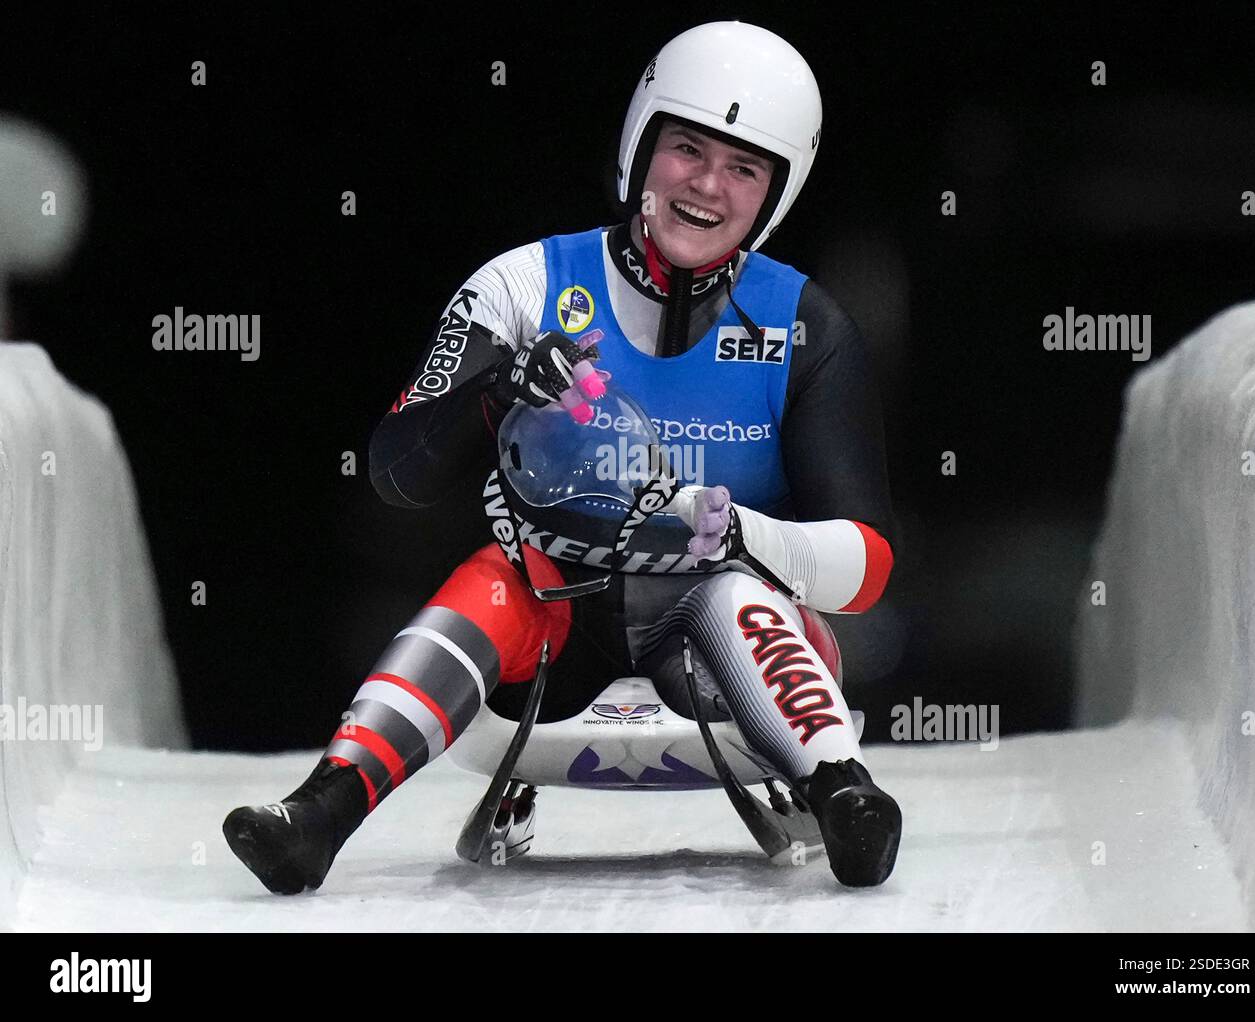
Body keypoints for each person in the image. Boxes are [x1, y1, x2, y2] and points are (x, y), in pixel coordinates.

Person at [223, 20, 901, 892]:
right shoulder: (522, 285)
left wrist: (736, 536)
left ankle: (846, 794)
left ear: (777, 192)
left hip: (723, 643)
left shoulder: (805, 326)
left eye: (744, 167)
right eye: (687, 149)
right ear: (640, 146)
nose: (706, 186)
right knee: (502, 573)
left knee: (734, 594)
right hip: (548, 627)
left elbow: (871, 568)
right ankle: (320, 811)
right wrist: (496, 387)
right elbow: (396, 472)